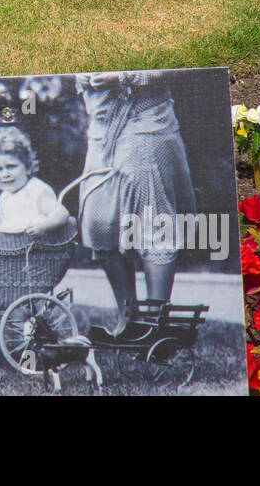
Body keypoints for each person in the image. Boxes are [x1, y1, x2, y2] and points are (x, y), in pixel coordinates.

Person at [74, 71, 197, 337]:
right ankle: (128, 315)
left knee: (154, 225)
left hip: (146, 124)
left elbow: (167, 69)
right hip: (101, 129)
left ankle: (156, 323)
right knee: (99, 224)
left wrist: (120, 76)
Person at [0, 126, 69, 238]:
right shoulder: (5, 196)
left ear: (28, 168)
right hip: (12, 249)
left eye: (11, 166)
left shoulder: (36, 190)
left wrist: (44, 226)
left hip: (36, 248)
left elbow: (61, 212)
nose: (5, 174)